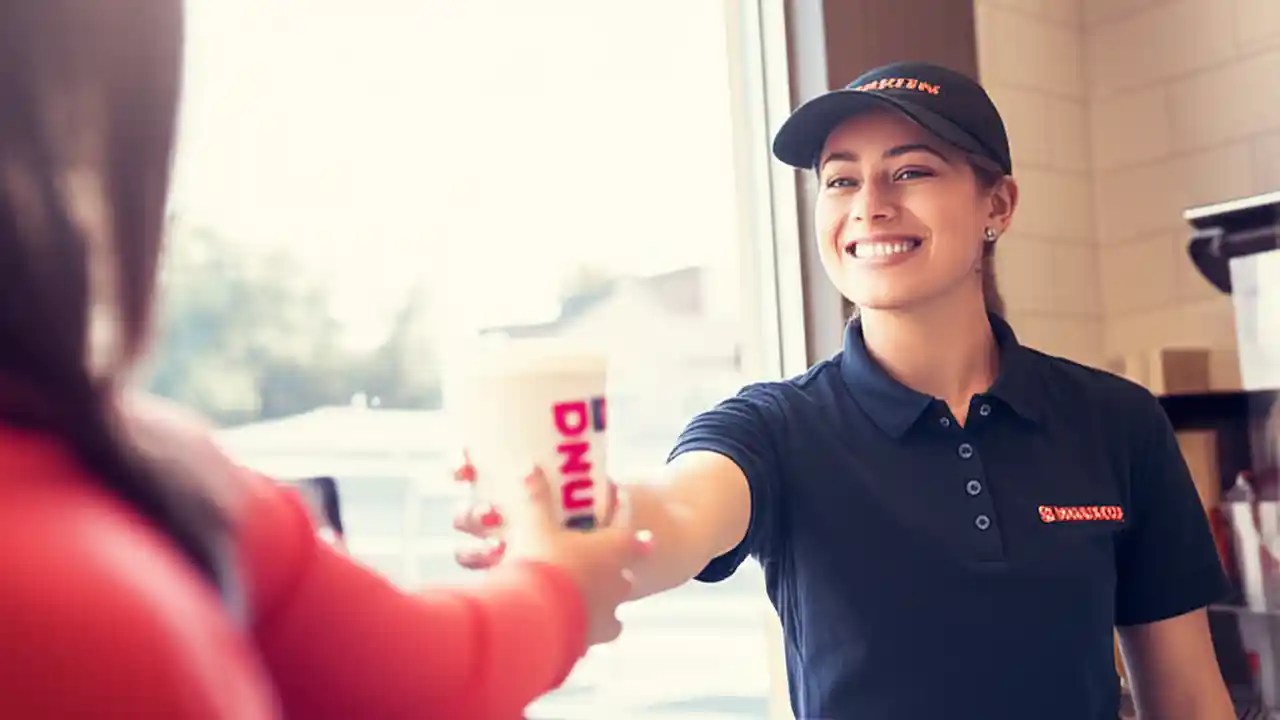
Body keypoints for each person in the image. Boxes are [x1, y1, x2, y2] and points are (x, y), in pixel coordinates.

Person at [456, 61, 1237, 719]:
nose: (869, 203)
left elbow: (1190, 701)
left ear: (996, 204)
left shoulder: (1116, 422)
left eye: (911, 171)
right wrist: (568, 527)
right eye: (840, 180)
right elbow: (680, 513)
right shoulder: (775, 428)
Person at [0, 2, 650, 719]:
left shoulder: (170, 482)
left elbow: (422, 674)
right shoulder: (102, 592)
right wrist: (561, 585)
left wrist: (553, 583)